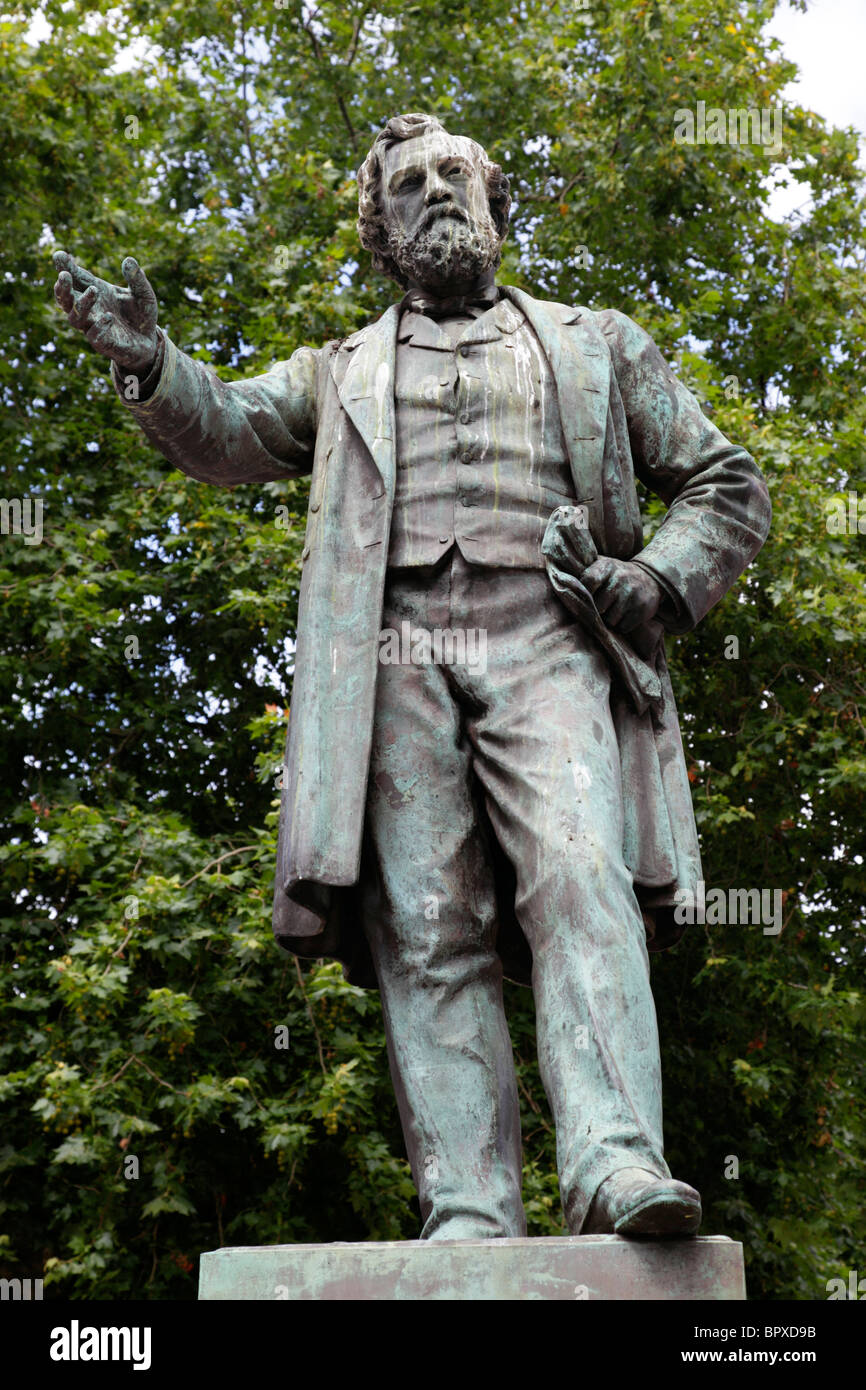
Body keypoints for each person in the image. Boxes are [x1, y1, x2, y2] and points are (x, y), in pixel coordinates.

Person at [53, 111, 771, 1241]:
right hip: (391, 659)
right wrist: (148, 362)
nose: (435, 193)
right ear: (382, 231)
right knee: (429, 924)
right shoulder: (342, 370)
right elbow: (231, 424)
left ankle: (617, 1166)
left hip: (550, 637)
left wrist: (659, 579)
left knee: (578, 876)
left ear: (493, 202)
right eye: (408, 186)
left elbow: (726, 484)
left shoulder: (594, 344)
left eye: (454, 175)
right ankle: (469, 1208)